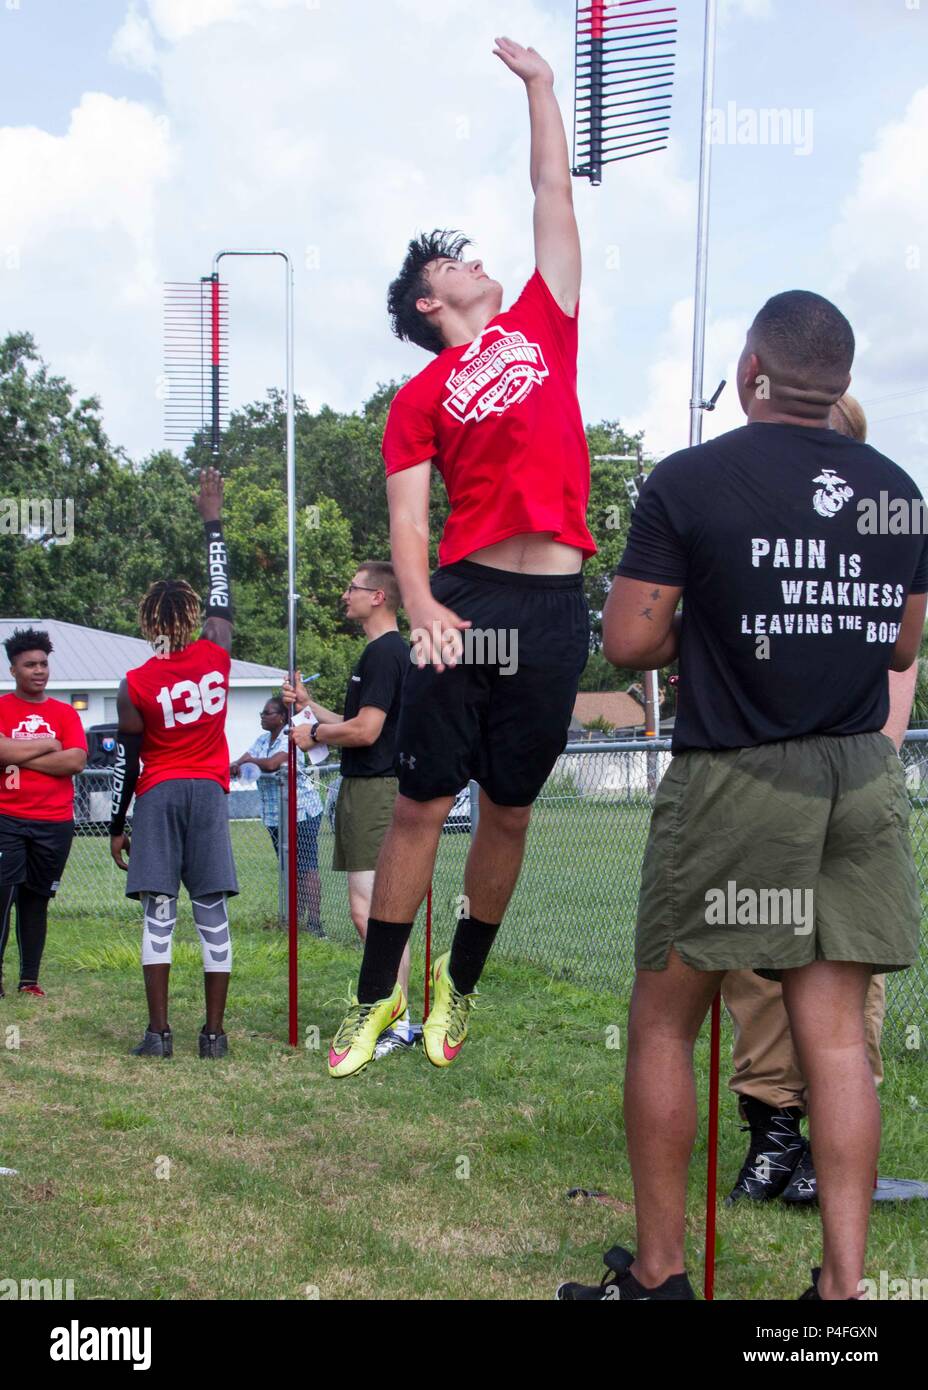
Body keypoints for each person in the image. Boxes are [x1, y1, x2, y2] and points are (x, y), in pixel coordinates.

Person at [558, 292, 928, 1301]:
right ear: (842, 381)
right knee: (840, 1036)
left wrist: (727, 620)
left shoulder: (689, 481)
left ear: (750, 366)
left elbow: (630, 641)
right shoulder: (897, 489)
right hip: (857, 777)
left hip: (740, 777)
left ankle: (660, 1276)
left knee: (667, 1022)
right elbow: (899, 643)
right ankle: (841, 1295)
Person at [325, 36, 594, 1078]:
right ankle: (370, 1000)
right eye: (454, 265)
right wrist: (427, 603)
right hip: (469, 597)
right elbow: (405, 517)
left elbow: (549, 185)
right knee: (422, 801)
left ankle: (458, 983)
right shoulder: (419, 397)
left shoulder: (543, 319)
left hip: (556, 604)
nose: (477, 262)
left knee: (513, 806)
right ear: (431, 304)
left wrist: (539, 86)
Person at [722, 394, 918, 1206]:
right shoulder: (757, 545)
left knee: (843, 967)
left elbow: (899, 669)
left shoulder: (879, 544)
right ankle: (772, 1143)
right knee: (752, 956)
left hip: (850, 775)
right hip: (757, 777)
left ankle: (832, 1156)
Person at [110, 468, 237, 1060]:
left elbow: (128, 762)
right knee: (211, 914)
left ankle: (158, 1034)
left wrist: (116, 823)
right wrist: (212, 521)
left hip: (158, 793)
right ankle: (213, 1036)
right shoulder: (216, 651)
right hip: (209, 793)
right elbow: (223, 596)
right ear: (188, 618)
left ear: (148, 622)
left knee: (158, 917)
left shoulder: (133, 682)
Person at [285, 562, 413, 1058]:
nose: (345, 595)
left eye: (353, 588)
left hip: (375, 791)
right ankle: (394, 1015)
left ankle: (392, 1018)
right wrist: (311, 707)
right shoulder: (383, 652)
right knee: (382, 912)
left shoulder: (383, 654)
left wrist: (313, 734)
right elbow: (356, 721)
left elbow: (365, 732)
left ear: (378, 597)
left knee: (373, 913)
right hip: (370, 789)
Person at [0, 629, 87, 998]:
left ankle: (28, 980)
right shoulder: (2, 707)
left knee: (36, 900)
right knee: (3, 896)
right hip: (6, 818)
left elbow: (77, 760)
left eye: (43, 663)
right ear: (13, 670)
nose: (39, 670)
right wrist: (49, 744)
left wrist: (20, 750)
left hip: (54, 823)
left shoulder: (64, 713)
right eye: (29, 664)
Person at [231, 696, 325, 937]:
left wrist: (251, 762)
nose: (262, 716)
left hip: (300, 811)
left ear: (282, 717)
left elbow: (274, 764)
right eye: (262, 713)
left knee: (305, 866)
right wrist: (239, 764)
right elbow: (239, 763)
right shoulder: (262, 740)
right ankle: (295, 920)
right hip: (275, 815)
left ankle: (314, 923)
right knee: (288, 867)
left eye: (267, 713)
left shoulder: (291, 736)